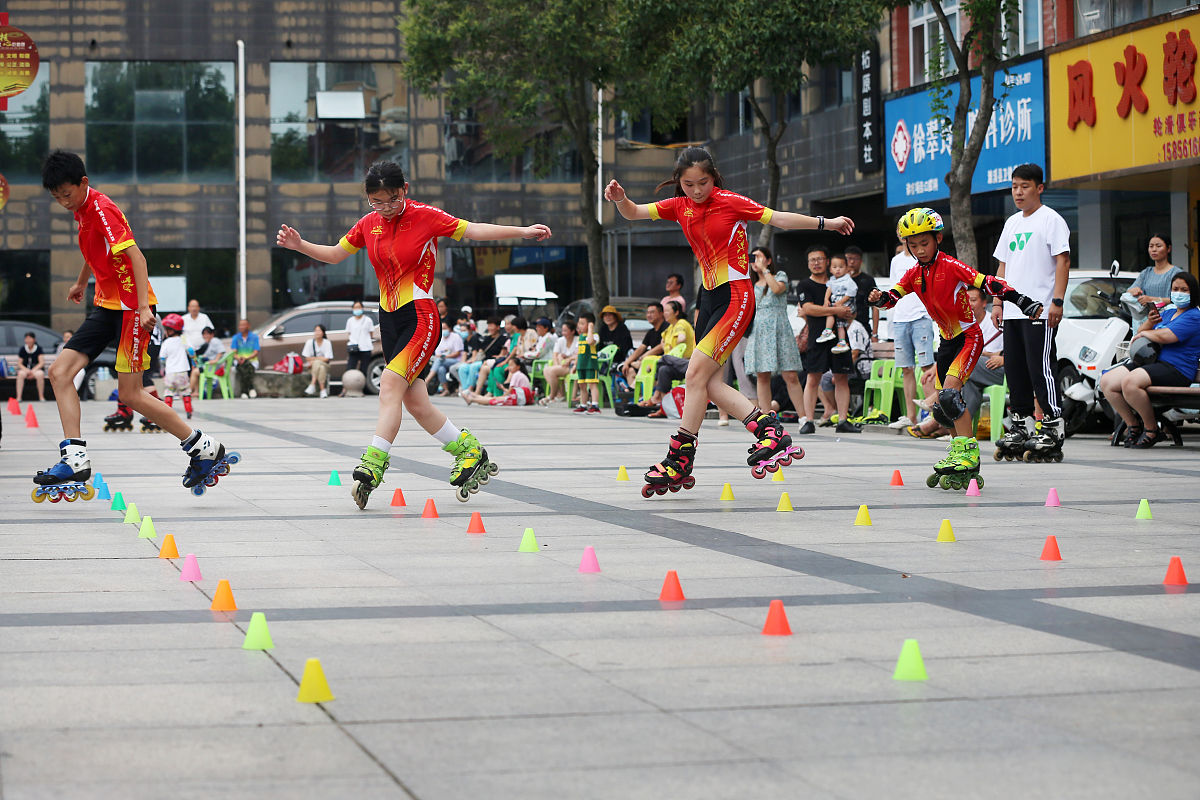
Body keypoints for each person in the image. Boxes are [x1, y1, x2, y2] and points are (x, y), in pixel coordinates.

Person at [275, 159, 551, 507]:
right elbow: (334, 254)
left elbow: (474, 230)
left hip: (420, 316)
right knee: (416, 402)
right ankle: (469, 451)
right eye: (376, 202)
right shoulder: (368, 223)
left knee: (389, 384)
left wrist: (522, 231)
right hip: (389, 319)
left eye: (391, 200)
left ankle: (373, 463)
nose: (385, 209)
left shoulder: (425, 216)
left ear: (404, 189)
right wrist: (300, 245)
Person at [605, 145, 854, 492]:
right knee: (707, 383)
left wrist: (826, 223)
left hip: (736, 296)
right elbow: (631, 212)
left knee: (694, 374)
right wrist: (619, 198)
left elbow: (779, 217)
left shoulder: (730, 201)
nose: (696, 191)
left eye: (703, 183)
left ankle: (683, 459)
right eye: (689, 184)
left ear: (713, 177)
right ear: (680, 181)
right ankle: (764, 430)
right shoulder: (679, 206)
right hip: (708, 299)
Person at [37, 151, 235, 498]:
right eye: (56, 198)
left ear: (83, 183)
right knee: (59, 373)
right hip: (106, 305)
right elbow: (94, 251)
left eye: (66, 194)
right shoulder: (82, 211)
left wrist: (144, 307)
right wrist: (83, 281)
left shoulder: (101, 208)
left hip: (131, 308)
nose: (63, 202)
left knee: (131, 393)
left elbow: (136, 257)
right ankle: (74, 458)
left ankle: (203, 447)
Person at [869, 208, 1043, 489]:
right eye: (912, 246)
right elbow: (893, 298)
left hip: (968, 338)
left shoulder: (951, 265)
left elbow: (987, 281)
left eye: (924, 243)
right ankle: (957, 449)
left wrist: (1022, 301)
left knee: (950, 396)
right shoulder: (914, 273)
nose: (919, 250)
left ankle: (969, 454)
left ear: (938, 238)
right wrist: (879, 299)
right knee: (940, 409)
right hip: (947, 342)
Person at [990, 163, 1072, 462]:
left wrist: (1057, 301)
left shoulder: (1051, 220)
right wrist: (998, 303)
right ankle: (1021, 424)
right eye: (1014, 187)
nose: (1018, 192)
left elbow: (1062, 261)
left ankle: (1052, 426)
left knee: (1042, 369)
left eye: (1024, 186)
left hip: (1039, 309)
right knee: (1016, 371)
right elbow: (1002, 267)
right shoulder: (1011, 223)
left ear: (1039, 187)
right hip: (1012, 309)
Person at [1100, 272, 1200, 448]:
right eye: (1175, 289)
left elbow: (1168, 336)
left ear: (1193, 293)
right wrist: (1148, 324)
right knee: (1107, 382)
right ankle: (1133, 425)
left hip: (1177, 369)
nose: (1179, 293)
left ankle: (1152, 430)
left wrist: (1148, 333)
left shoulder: (1194, 316)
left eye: (1184, 290)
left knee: (1130, 382)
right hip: (1153, 362)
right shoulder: (1169, 313)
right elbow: (1140, 335)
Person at [906, 286, 1005, 439]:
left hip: (998, 369)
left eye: (973, 300)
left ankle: (936, 402)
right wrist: (936, 366)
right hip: (977, 372)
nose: (969, 304)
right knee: (970, 384)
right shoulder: (963, 323)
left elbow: (991, 354)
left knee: (966, 362)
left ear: (984, 303)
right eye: (966, 300)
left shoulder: (993, 321)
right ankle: (956, 432)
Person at [797, 245, 860, 434]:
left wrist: (846, 313)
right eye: (812, 260)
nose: (816, 263)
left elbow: (852, 310)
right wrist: (835, 310)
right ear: (808, 264)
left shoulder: (841, 282)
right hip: (817, 337)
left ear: (827, 262)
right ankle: (808, 421)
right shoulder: (805, 285)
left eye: (820, 259)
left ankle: (842, 420)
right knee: (812, 377)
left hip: (840, 336)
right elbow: (808, 308)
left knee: (842, 377)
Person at [743, 247, 806, 422]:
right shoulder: (751, 284)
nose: (755, 260)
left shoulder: (780, 276)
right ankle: (766, 417)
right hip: (759, 332)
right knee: (762, 375)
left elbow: (777, 290)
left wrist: (764, 270)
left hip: (780, 330)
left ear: (769, 260)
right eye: (753, 257)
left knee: (790, 374)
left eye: (759, 257)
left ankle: (804, 417)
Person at [885, 241, 935, 430]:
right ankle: (910, 416)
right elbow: (893, 289)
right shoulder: (896, 261)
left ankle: (933, 416)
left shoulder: (924, 257)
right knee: (906, 368)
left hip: (921, 317)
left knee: (927, 367)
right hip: (900, 319)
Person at [644, 300, 696, 415]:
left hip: (688, 362)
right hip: (676, 365)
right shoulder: (668, 329)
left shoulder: (681, 323)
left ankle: (656, 396)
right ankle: (664, 407)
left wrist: (675, 345)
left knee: (664, 358)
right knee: (664, 370)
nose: (665, 313)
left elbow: (681, 338)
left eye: (667, 311)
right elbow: (663, 344)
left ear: (676, 312)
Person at [1125, 233, 1183, 327]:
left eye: (1158, 246)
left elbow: (1180, 298)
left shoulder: (1176, 273)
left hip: (1170, 320)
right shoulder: (1146, 273)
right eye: (1151, 246)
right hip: (1147, 321)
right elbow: (1129, 290)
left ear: (1168, 249)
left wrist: (1151, 299)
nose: (1154, 249)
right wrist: (1133, 290)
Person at [452, 316, 508, 397]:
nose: (489, 328)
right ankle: (465, 389)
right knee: (463, 368)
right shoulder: (486, 338)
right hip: (483, 361)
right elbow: (480, 351)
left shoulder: (503, 339)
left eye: (491, 326)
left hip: (492, 361)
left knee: (473, 366)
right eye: (488, 325)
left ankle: (470, 389)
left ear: (498, 327)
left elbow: (503, 354)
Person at [816, 254, 858, 354]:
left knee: (830, 312)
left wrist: (840, 302)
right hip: (837, 303)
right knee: (839, 323)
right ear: (830, 269)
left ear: (847, 268)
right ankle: (842, 342)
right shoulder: (833, 280)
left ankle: (828, 330)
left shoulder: (848, 280)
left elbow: (851, 293)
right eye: (834, 267)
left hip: (847, 304)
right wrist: (826, 300)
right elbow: (829, 289)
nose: (838, 270)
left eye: (841, 267)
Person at [619, 303, 668, 387]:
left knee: (645, 369)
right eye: (647, 313)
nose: (649, 315)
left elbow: (662, 346)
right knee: (629, 371)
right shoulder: (651, 332)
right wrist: (627, 362)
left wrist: (645, 356)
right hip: (648, 362)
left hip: (662, 362)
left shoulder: (667, 328)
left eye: (652, 312)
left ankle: (647, 396)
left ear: (661, 313)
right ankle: (637, 396)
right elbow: (641, 348)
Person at [159, 313, 196, 418]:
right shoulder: (183, 339)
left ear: (171, 330)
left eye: (166, 329)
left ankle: (167, 413)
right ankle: (188, 411)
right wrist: (195, 363)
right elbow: (191, 351)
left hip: (170, 373)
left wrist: (162, 369)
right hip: (182, 372)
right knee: (185, 392)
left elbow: (162, 358)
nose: (165, 332)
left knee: (169, 392)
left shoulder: (166, 342)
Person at [461, 359, 536, 406]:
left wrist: (500, 397)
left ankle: (472, 398)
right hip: (521, 397)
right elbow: (513, 391)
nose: (509, 368)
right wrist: (503, 388)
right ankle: (472, 396)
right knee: (493, 399)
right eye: (509, 365)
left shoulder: (516, 375)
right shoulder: (519, 374)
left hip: (520, 399)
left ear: (518, 367)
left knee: (493, 400)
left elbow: (510, 392)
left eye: (511, 366)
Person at [182, 300, 215, 397]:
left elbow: (210, 331)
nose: (194, 309)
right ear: (188, 308)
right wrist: (188, 347)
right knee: (190, 370)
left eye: (196, 306)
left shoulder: (204, 318)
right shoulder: (184, 319)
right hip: (189, 350)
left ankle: (197, 391)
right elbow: (182, 336)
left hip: (203, 349)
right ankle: (193, 391)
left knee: (198, 369)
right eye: (192, 306)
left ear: (199, 308)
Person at [540, 319, 577, 405]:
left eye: (565, 331)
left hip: (571, 366)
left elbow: (578, 355)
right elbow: (555, 354)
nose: (563, 333)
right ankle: (558, 394)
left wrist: (569, 358)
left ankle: (553, 395)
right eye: (562, 330)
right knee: (547, 370)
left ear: (572, 331)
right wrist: (557, 365)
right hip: (561, 365)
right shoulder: (560, 340)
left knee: (550, 371)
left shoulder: (577, 340)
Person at [572, 312, 602, 414]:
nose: (579, 326)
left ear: (590, 324)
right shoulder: (579, 338)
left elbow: (590, 341)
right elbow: (577, 353)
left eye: (582, 323)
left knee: (592, 384)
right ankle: (583, 404)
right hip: (581, 365)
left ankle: (595, 405)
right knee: (582, 385)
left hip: (590, 365)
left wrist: (590, 328)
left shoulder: (595, 336)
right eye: (579, 323)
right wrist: (575, 365)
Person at [845, 245, 877, 334]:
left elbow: (875, 307)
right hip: (841, 329)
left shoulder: (868, 280)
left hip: (862, 327)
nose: (851, 262)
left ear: (861, 261)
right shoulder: (836, 280)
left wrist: (875, 333)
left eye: (855, 259)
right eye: (849, 258)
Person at [428, 319, 465, 395]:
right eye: (442, 329)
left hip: (456, 360)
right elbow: (437, 354)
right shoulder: (440, 338)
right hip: (444, 361)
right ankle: (446, 390)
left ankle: (427, 380)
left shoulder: (456, 337)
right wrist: (443, 356)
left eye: (445, 328)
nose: (443, 330)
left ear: (449, 328)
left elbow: (457, 353)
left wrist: (445, 356)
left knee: (439, 360)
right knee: (441, 369)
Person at [344, 301, 375, 379]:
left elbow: (371, 333)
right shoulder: (350, 320)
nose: (357, 309)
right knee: (350, 368)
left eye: (359, 307)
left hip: (366, 347)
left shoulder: (368, 320)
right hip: (354, 347)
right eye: (355, 307)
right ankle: (347, 387)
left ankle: (362, 387)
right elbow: (349, 333)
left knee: (364, 369)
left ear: (362, 308)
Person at [230, 318, 260, 399]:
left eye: (243, 325)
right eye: (240, 325)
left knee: (246, 366)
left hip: (252, 361)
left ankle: (244, 391)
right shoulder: (235, 338)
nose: (241, 327)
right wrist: (239, 358)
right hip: (239, 361)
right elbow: (234, 352)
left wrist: (246, 358)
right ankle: (251, 388)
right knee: (245, 368)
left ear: (248, 326)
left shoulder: (254, 337)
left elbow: (256, 352)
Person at [302, 324, 334, 398]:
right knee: (321, 368)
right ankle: (323, 391)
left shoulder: (327, 343)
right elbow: (307, 358)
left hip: (326, 366)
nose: (317, 332)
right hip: (312, 368)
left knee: (318, 364)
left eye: (319, 331)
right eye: (316, 331)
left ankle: (312, 384)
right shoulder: (309, 342)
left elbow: (327, 359)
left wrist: (314, 359)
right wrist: (320, 358)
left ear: (323, 332)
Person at [16, 332, 46, 403]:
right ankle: (19, 397)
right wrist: (26, 370)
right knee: (20, 374)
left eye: (30, 338)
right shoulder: (23, 349)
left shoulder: (38, 348)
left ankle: (41, 396)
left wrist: (33, 371)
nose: (28, 340)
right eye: (26, 338)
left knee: (40, 374)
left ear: (34, 339)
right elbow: (19, 363)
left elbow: (41, 363)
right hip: (25, 370)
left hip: (36, 370)